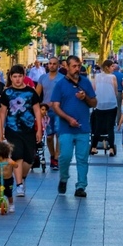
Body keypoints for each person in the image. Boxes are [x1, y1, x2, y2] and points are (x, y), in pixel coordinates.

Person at [49, 54, 97, 197]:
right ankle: (64, 178)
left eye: (79, 66)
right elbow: (55, 106)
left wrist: (85, 98)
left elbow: (94, 103)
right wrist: (68, 119)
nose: (77, 69)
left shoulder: (86, 82)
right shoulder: (60, 85)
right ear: (67, 67)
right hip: (66, 128)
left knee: (82, 158)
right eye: (74, 66)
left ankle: (81, 186)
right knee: (65, 156)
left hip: (83, 128)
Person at [0, 64, 43, 197]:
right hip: (13, 129)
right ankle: (19, 185)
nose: (17, 79)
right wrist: (1, 132)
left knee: (28, 160)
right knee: (17, 155)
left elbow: (37, 111)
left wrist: (39, 129)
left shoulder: (31, 92)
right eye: (14, 76)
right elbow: (2, 113)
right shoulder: (7, 93)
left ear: (24, 77)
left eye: (20, 76)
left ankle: (21, 177)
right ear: (10, 78)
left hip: (28, 129)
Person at [89, 59, 119, 156]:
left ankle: (93, 147)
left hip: (99, 104)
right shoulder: (112, 77)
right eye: (112, 66)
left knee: (97, 127)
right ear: (108, 67)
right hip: (111, 104)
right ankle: (111, 148)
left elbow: (93, 90)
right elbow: (115, 91)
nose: (113, 68)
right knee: (110, 127)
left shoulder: (96, 76)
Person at [37, 57, 63, 170]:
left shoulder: (62, 78)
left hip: (59, 110)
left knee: (59, 135)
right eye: (50, 64)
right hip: (46, 111)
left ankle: (56, 159)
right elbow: (36, 93)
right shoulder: (43, 78)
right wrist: (38, 107)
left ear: (58, 65)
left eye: (54, 64)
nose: (51, 65)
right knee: (49, 136)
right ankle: (52, 155)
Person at [0, 141, 16, 208]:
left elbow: (16, 165)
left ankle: (11, 204)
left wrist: (13, 164)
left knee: (9, 194)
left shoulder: (8, 160)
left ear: (0, 154)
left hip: (8, 179)